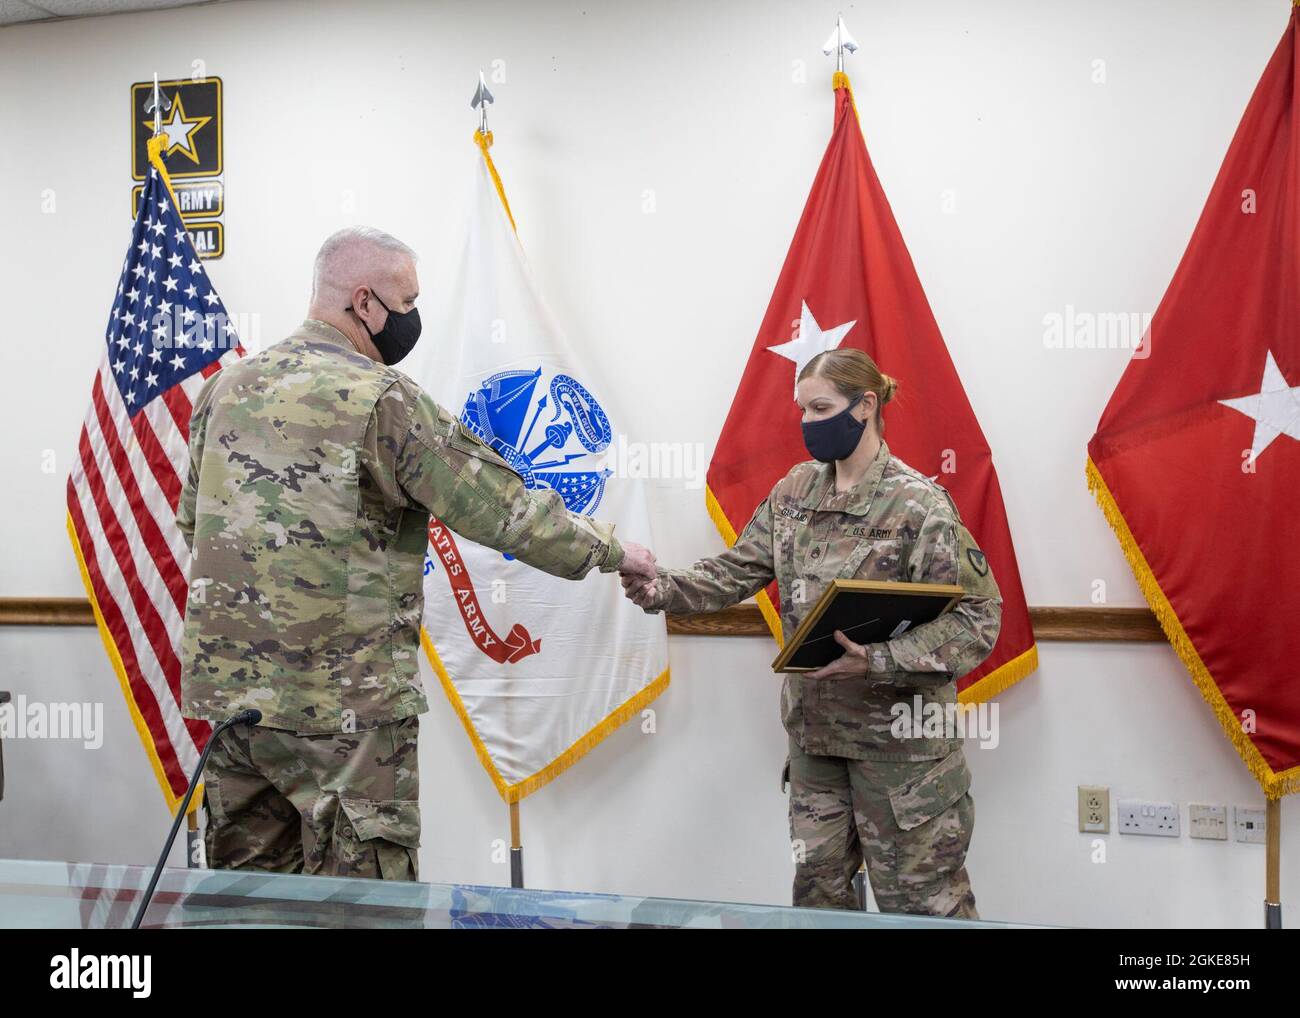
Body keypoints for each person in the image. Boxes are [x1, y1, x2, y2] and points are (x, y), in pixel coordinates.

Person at [176, 226, 655, 881]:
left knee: (245, 903)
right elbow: (502, 509)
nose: (413, 317)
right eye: (407, 301)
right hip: (346, 715)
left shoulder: (226, 389)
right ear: (366, 303)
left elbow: (193, 526)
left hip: (236, 707)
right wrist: (611, 549)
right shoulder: (383, 399)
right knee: (364, 910)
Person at [623, 348, 1000, 918]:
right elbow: (734, 571)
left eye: (821, 408)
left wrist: (880, 658)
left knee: (923, 911)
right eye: (801, 411)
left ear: (865, 405)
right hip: (816, 745)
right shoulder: (795, 491)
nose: (808, 424)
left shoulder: (919, 504)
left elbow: (979, 619)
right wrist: (661, 588)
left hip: (902, 757)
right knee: (818, 910)